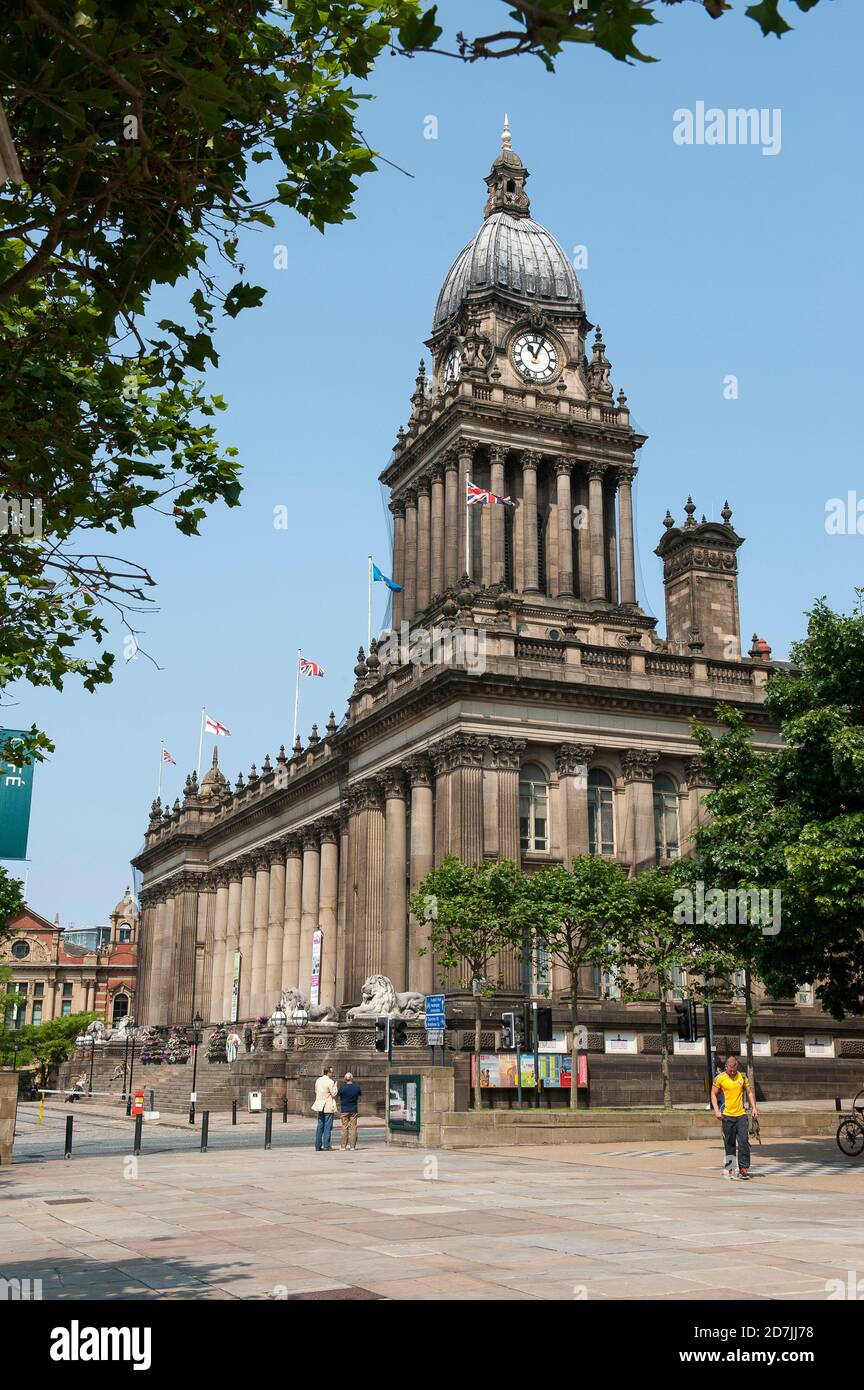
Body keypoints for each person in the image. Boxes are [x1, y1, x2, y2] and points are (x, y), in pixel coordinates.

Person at [711, 1054, 758, 1180]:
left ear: (736, 1066)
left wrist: (754, 1107)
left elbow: (749, 1092)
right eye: (730, 1070)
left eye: (734, 1070)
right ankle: (731, 1168)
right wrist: (716, 1110)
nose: (732, 1072)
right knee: (729, 1143)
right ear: (726, 1067)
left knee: (743, 1141)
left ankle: (743, 1169)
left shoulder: (742, 1077)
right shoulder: (719, 1078)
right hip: (727, 1115)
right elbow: (713, 1094)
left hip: (741, 1115)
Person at [312, 1066, 338, 1150]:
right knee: (327, 1127)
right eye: (332, 1072)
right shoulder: (330, 1082)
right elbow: (334, 1094)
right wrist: (336, 1086)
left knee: (320, 1126)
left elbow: (316, 1091)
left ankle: (317, 1145)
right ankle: (326, 1145)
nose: (332, 1074)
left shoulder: (318, 1080)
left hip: (320, 1105)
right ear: (328, 1073)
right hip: (327, 1105)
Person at [338, 1072, 362, 1150]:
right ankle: (352, 1146)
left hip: (344, 1109)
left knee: (344, 1127)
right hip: (353, 1109)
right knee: (353, 1128)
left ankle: (343, 1146)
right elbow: (359, 1094)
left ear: (345, 1079)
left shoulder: (342, 1087)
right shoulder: (357, 1087)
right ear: (352, 1078)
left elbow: (339, 1094)